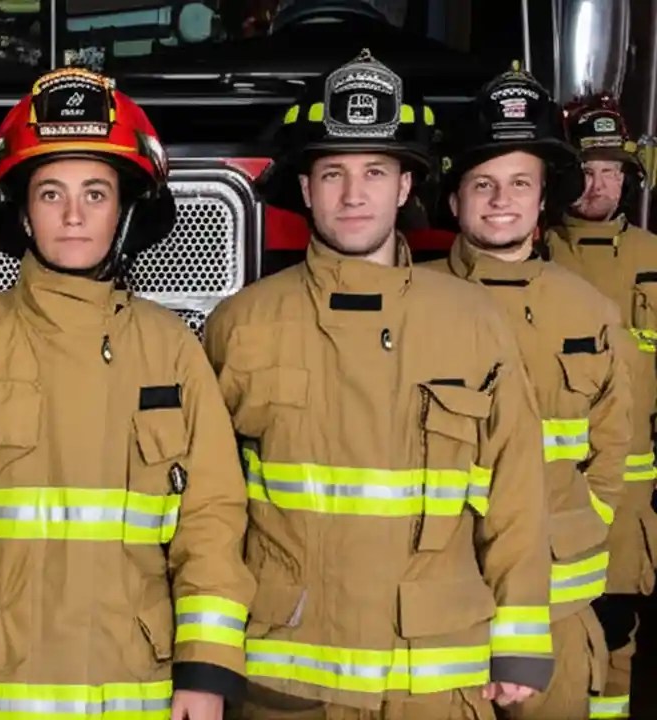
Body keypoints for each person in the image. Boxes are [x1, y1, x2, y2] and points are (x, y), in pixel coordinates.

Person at [0, 67, 256, 720]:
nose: (74, 215)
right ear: (21, 210)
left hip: (136, 693)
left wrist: (206, 671)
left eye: (95, 193)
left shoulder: (171, 352)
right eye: (51, 193)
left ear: (126, 208)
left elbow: (211, 522)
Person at [203, 49, 554, 719]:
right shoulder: (242, 324)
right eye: (332, 173)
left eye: (375, 172)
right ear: (305, 189)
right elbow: (209, 511)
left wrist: (520, 642)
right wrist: (207, 654)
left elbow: (517, 491)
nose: (353, 194)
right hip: (287, 675)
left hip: (433, 678)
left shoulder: (471, 321)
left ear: (404, 188)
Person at [424, 65, 630, 720]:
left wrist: (581, 526)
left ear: (544, 199)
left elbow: (612, 443)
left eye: (520, 183)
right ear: (453, 200)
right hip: (441, 606)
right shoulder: (414, 303)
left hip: (557, 606)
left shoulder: (587, 309)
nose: (500, 200)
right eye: (482, 184)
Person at [544, 97, 657, 720]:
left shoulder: (653, 257)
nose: (599, 185)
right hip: (555, 484)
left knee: (616, 627)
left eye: (612, 171)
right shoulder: (537, 258)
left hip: (632, 489)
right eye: (587, 170)